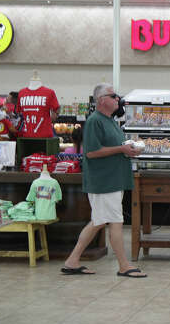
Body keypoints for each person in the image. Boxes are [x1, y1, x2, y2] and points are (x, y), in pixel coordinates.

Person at [61, 83, 146, 278]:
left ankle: (72, 261)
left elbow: (114, 148)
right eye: (113, 96)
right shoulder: (94, 121)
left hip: (113, 179)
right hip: (104, 181)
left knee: (98, 221)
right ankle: (124, 265)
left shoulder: (111, 121)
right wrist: (121, 150)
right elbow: (91, 152)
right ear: (101, 100)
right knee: (115, 221)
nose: (117, 99)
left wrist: (129, 149)